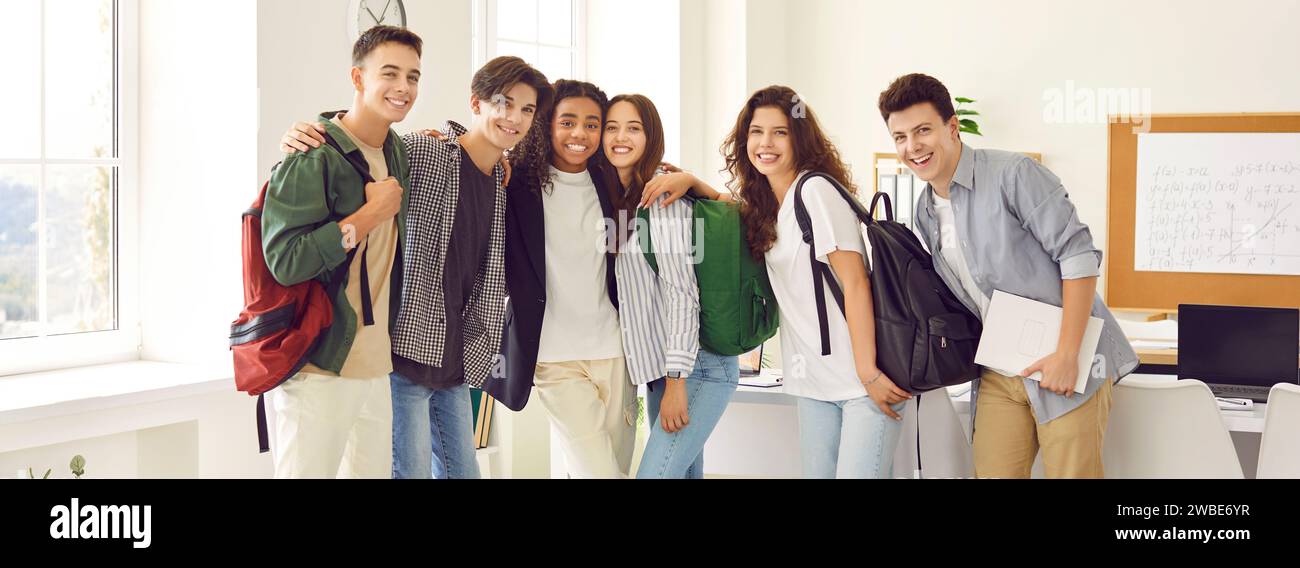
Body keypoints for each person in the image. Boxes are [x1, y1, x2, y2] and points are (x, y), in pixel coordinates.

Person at [878, 73, 1137, 478]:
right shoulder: (925, 211)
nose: (912, 147)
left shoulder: (1013, 174)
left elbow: (1079, 256)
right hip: (1000, 370)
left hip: (1066, 359)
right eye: (900, 137)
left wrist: (1067, 354)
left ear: (952, 127)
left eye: (923, 130)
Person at [261, 25, 420, 478]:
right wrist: (368, 216)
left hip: (375, 367)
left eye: (413, 77)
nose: (403, 87)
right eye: (390, 73)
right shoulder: (313, 156)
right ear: (358, 78)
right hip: (320, 366)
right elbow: (287, 262)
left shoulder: (397, 151)